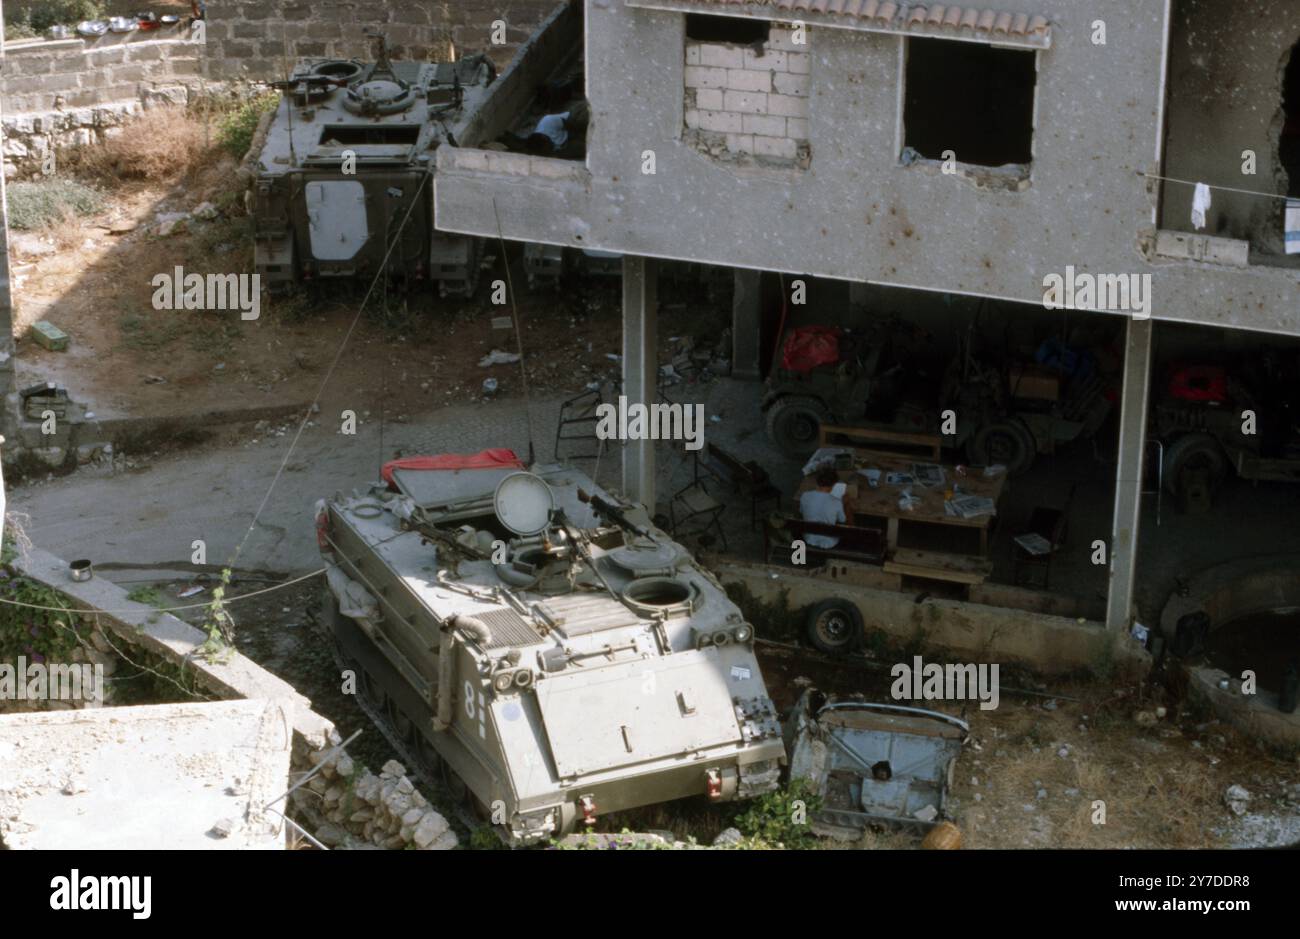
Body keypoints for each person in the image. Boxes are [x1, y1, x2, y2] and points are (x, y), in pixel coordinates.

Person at [799, 467, 848, 549]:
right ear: (834, 484)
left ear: (817, 481)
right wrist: (845, 503)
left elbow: (801, 511)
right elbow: (842, 520)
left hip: (809, 538)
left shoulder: (805, 496)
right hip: (829, 542)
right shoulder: (836, 502)